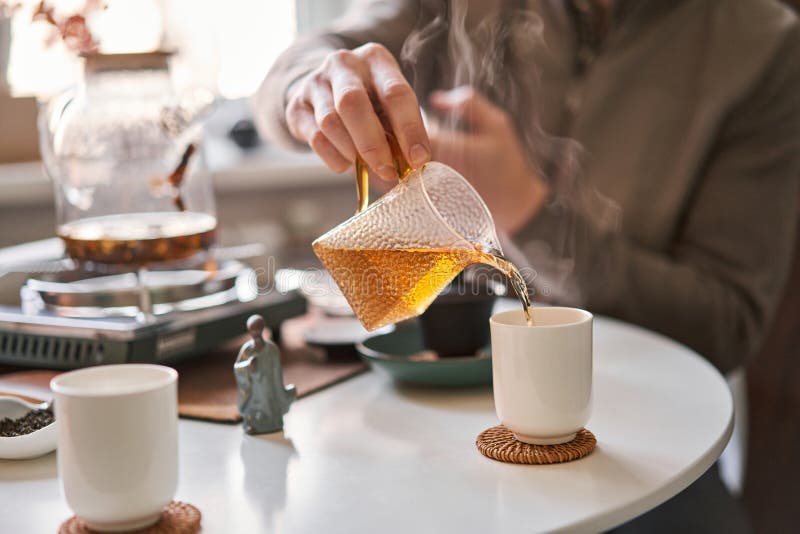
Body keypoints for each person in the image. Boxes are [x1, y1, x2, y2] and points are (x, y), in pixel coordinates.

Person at [255, 1, 799, 530]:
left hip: (652, 453)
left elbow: (726, 324)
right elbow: (306, 62)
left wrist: (527, 208)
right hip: (434, 423)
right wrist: (310, 86)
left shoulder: (761, 42)